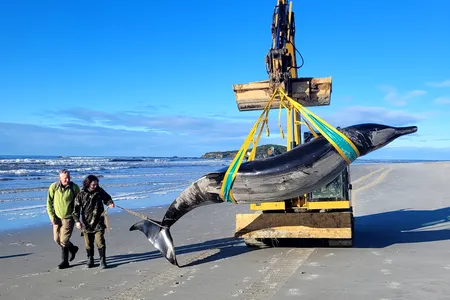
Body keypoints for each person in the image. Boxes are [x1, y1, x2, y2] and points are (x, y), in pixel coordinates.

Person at [73, 174, 115, 269]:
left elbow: (107, 198)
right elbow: (76, 209)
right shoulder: (81, 194)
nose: (95, 186)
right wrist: (77, 221)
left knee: (100, 241)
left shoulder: (100, 191)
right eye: (93, 184)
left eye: (96, 184)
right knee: (88, 243)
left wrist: (110, 203)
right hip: (86, 223)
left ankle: (102, 260)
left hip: (98, 222)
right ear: (87, 184)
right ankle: (90, 259)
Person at [46, 169, 80, 269]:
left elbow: (78, 204)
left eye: (68, 177)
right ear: (59, 178)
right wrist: (52, 216)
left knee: (64, 240)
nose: (67, 179)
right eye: (65, 178)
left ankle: (65, 262)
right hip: (56, 218)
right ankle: (73, 248)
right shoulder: (54, 187)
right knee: (57, 239)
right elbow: (49, 203)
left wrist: (77, 218)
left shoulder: (74, 187)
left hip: (69, 218)